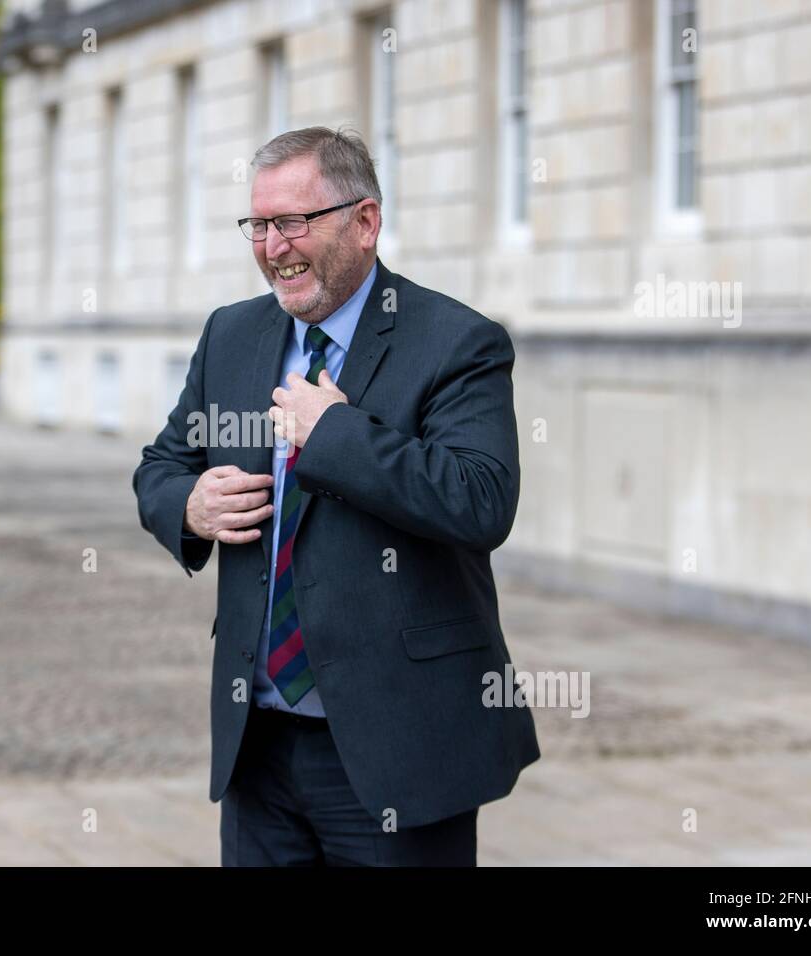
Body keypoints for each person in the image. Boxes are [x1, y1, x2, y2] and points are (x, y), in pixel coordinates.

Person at [132, 126, 539, 866]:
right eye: (258, 225)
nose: (273, 245)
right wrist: (188, 505)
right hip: (258, 746)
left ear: (365, 221)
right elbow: (161, 465)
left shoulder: (457, 342)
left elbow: (481, 501)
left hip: (399, 747)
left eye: (293, 222)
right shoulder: (232, 335)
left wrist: (338, 435)